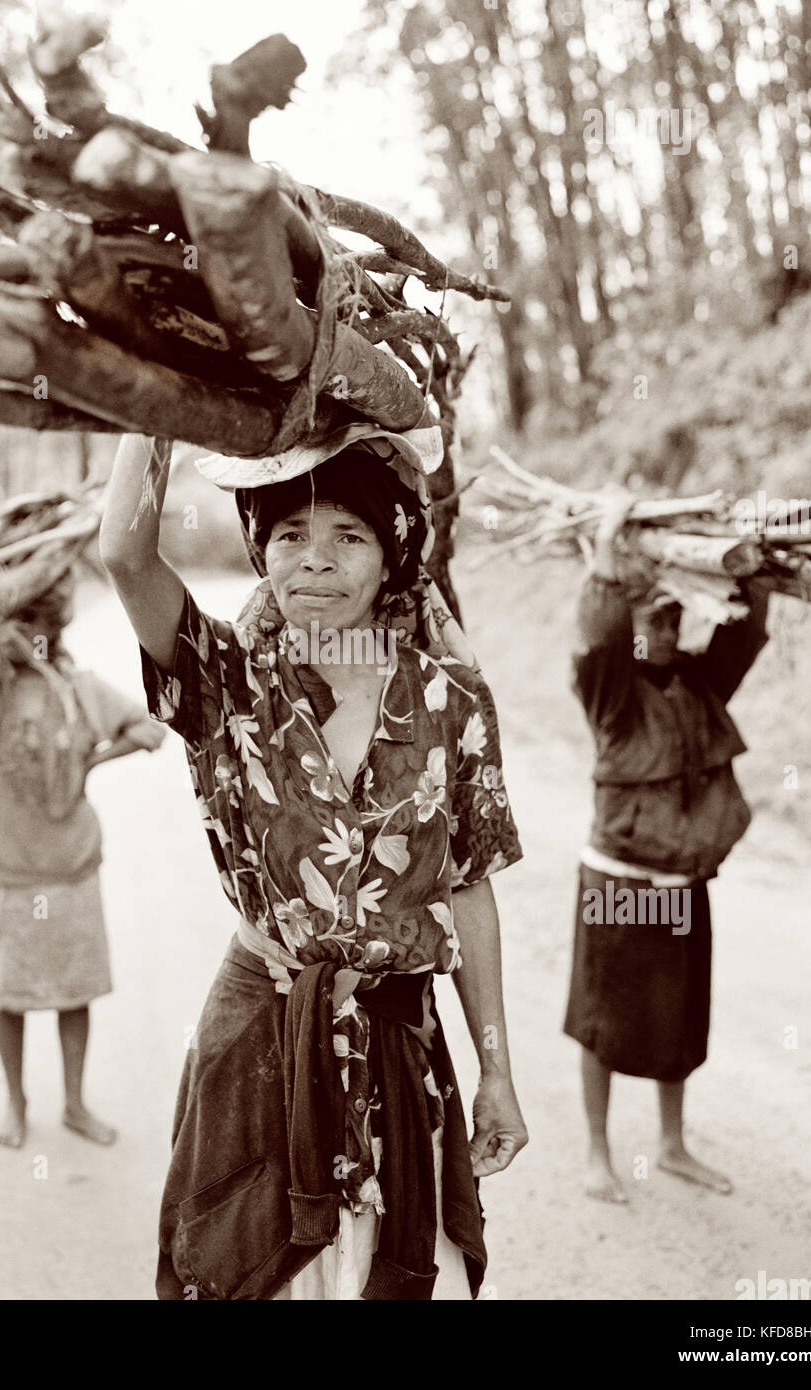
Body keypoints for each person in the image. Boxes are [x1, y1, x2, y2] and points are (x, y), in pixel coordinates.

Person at [100, 427, 528, 1300]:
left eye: (348, 535)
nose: (315, 562)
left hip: (398, 1045)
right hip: (261, 1038)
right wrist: (157, 401)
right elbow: (122, 551)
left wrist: (498, 1074)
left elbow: (470, 889)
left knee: (384, 1274)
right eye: (290, 535)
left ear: (390, 553)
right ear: (260, 551)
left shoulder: (450, 699)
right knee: (251, 1271)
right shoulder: (224, 680)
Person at [564, 495, 770, 1203]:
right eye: (650, 615)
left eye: (672, 614)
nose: (663, 626)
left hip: (682, 882)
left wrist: (758, 562)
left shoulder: (699, 685)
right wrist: (605, 558)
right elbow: (594, 639)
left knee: (677, 1014)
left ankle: (673, 1146)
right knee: (601, 1017)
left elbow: (744, 636)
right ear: (631, 623)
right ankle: (596, 1153)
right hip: (617, 880)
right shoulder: (610, 695)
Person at [0, 566, 166, 1149]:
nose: (23, 634)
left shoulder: (77, 687)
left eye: (36, 623)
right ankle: (16, 1103)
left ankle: (76, 1103)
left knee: (72, 990)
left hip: (70, 869)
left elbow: (150, 727)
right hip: (7, 874)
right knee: (8, 995)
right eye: (14, 620)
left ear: (53, 633)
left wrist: (91, 761)